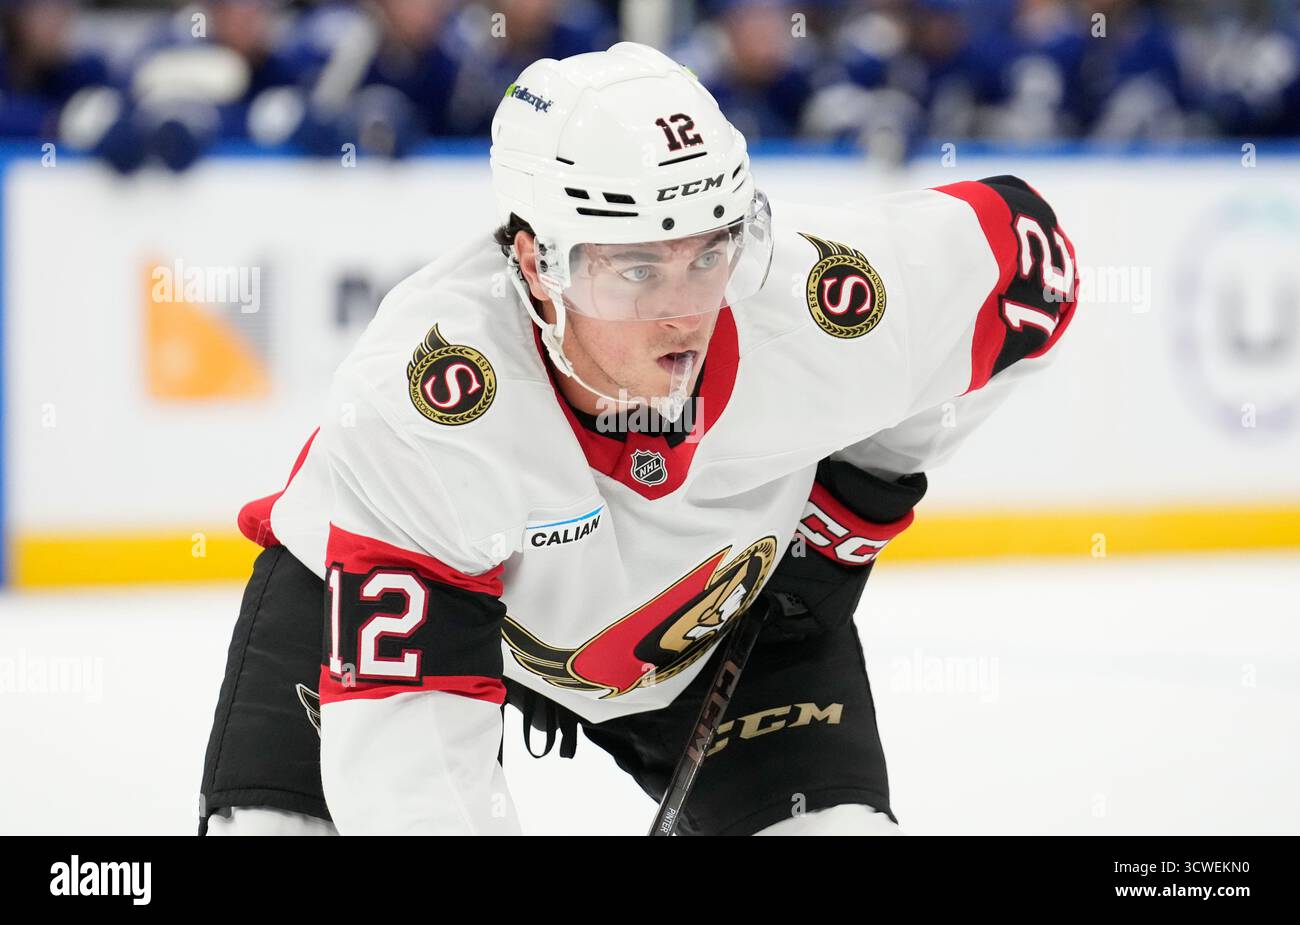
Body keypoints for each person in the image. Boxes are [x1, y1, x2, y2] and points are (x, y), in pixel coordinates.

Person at [198, 41, 1078, 835]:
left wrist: (854, 505)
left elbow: (1034, 270)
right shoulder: (429, 402)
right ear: (537, 263)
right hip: (381, 590)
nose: (684, 309)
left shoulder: (821, 301)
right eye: (634, 268)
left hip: (726, 616)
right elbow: (414, 787)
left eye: (708, 253)